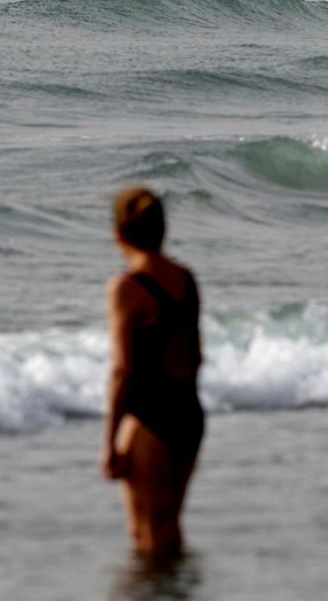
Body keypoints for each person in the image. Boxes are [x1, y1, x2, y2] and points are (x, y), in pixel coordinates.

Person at [100, 187, 203, 559]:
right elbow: (196, 356)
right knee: (170, 526)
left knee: (145, 532)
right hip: (189, 414)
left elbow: (122, 369)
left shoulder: (125, 288)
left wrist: (109, 442)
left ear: (119, 234)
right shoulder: (186, 280)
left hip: (148, 420)